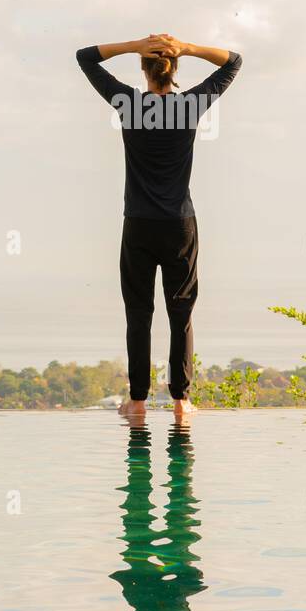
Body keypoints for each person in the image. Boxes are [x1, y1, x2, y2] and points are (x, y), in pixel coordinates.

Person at [75, 33, 242, 421]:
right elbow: (233, 61)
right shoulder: (189, 107)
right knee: (180, 313)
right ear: (175, 68)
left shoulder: (129, 104)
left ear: (144, 68)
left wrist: (133, 44)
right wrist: (190, 48)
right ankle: (181, 401)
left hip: (138, 224)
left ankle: (137, 401)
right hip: (180, 224)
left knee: (139, 312)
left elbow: (85, 58)